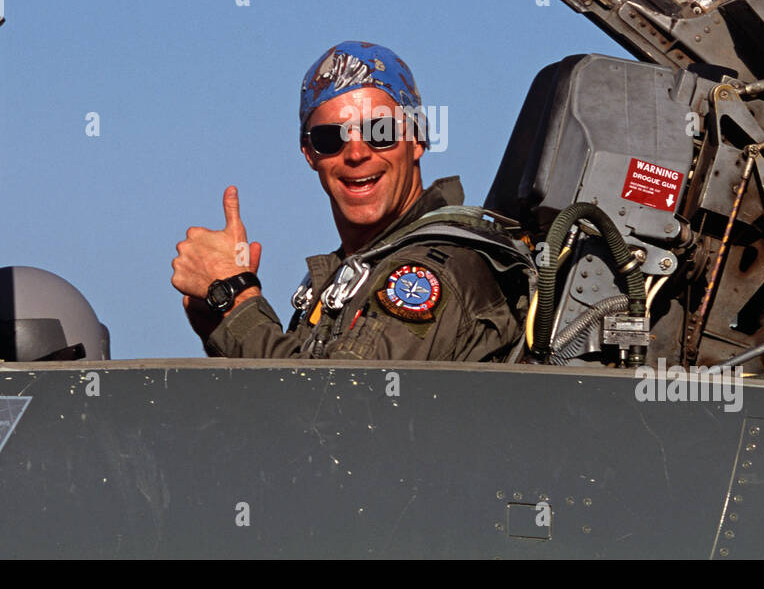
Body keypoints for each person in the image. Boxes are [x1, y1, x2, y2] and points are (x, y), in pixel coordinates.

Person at [170, 41, 527, 361]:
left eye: (380, 132)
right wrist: (214, 317)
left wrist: (234, 295)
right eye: (330, 139)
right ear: (309, 153)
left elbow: (336, 400)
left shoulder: (429, 273)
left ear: (417, 140)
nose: (356, 154)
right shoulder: (351, 273)